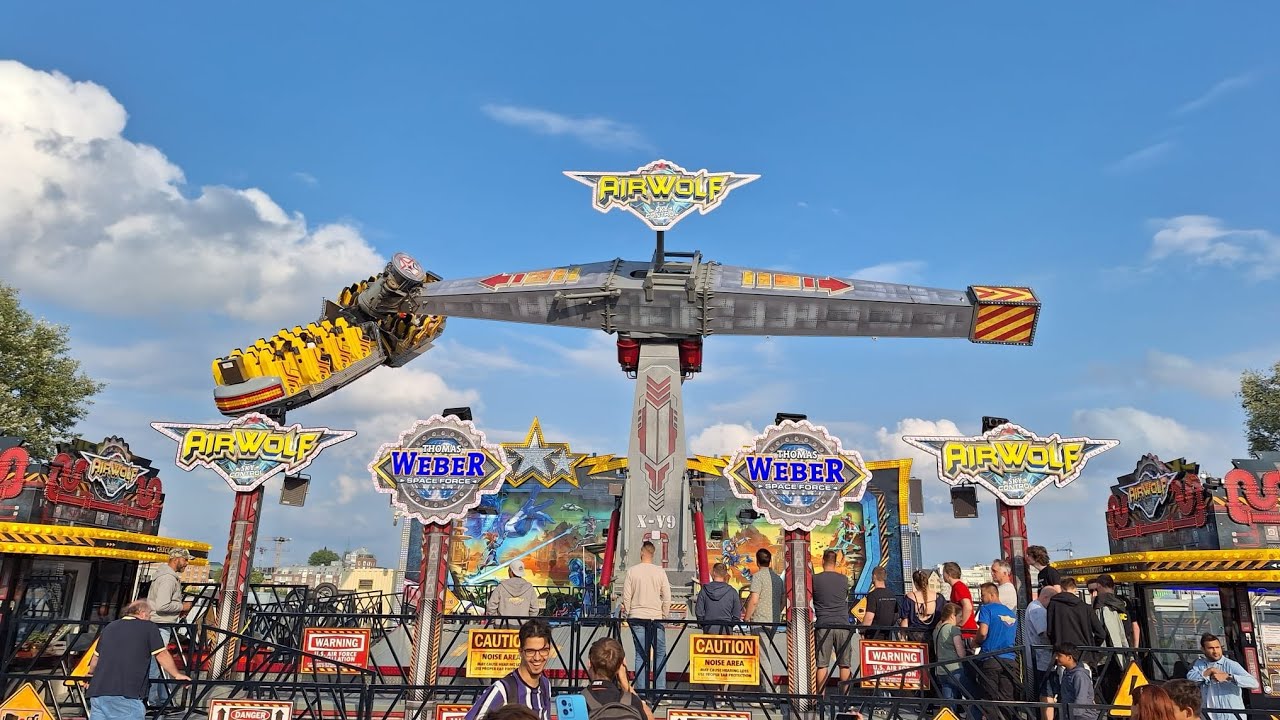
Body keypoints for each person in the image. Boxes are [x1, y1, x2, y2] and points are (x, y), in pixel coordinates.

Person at [86, 599, 191, 720]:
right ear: (142, 613)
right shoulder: (148, 627)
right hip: (126, 693)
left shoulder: (110, 627)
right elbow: (161, 654)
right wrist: (176, 674)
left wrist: (90, 674)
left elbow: (95, 658)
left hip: (98, 693)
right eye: (150, 614)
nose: (150, 617)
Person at [465, 619, 554, 720]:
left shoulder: (545, 684)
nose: (537, 657)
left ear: (549, 650)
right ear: (520, 651)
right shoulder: (502, 689)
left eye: (543, 650)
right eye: (530, 651)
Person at [145, 548, 193, 708]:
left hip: (158, 623)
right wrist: (182, 607)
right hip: (160, 625)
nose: (187, 563)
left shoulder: (164, 576)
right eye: (185, 560)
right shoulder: (168, 579)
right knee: (158, 663)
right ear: (176, 559)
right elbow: (162, 605)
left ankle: (159, 699)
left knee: (157, 663)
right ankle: (153, 701)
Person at [620, 541, 671, 690]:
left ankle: (642, 690)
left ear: (642, 552)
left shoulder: (632, 571)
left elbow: (626, 596)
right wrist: (664, 613)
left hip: (636, 616)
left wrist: (629, 612)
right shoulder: (660, 571)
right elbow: (667, 596)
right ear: (653, 554)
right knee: (660, 653)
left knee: (640, 654)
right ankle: (659, 690)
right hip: (655, 617)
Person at [974, 583, 1020, 719]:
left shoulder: (986, 609)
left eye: (983, 595)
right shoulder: (1010, 612)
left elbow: (983, 632)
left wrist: (975, 642)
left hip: (991, 658)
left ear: (992, 594)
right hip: (1010, 659)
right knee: (1007, 697)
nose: (981, 598)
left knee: (989, 698)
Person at [1186, 632, 1259, 716]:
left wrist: (1229, 677)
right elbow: (1190, 679)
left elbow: (1254, 683)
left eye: (1217, 647)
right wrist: (1209, 671)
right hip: (1207, 715)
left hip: (1230, 716)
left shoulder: (1230, 664)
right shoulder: (1200, 664)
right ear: (1203, 649)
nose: (1215, 651)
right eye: (1211, 648)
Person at [742, 547, 785, 689]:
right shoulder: (778, 579)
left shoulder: (758, 577)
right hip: (773, 621)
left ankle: (769, 690)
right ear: (770, 561)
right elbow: (783, 600)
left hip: (760, 621)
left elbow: (754, 600)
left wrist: (747, 617)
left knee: (763, 656)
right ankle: (764, 687)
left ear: (757, 561)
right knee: (763, 652)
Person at [584, 637, 655, 720]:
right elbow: (650, 717)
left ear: (589, 663)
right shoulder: (631, 701)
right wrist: (625, 683)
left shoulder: (580, 701)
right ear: (620, 667)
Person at [812, 550, 853, 688]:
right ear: (835, 563)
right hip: (843, 624)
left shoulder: (815, 579)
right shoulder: (844, 580)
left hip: (823, 624)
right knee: (844, 664)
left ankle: (821, 700)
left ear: (823, 561)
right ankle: (846, 701)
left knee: (822, 665)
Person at [933, 602, 980, 720]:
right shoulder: (953, 630)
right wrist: (968, 651)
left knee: (949, 704)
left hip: (940, 671)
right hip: (954, 670)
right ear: (952, 616)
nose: (961, 620)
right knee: (973, 696)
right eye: (959, 617)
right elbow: (961, 653)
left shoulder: (936, 630)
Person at [1047, 577, 1104, 668]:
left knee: (1065, 681)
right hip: (1084, 654)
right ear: (1075, 589)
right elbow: (1101, 633)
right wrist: (1091, 646)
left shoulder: (1053, 605)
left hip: (1063, 654)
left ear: (1062, 588)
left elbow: (1050, 632)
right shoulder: (1085, 607)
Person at [1026, 586, 1057, 720]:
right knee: (1047, 691)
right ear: (1045, 597)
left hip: (1040, 657)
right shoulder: (1037, 610)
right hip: (1041, 658)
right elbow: (1044, 633)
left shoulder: (1035, 607)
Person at [695, 563, 741, 636]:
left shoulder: (704, 590)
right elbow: (737, 615)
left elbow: (699, 612)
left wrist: (704, 624)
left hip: (708, 629)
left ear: (713, 572)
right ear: (726, 574)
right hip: (727, 631)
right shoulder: (732, 592)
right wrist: (730, 625)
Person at [1054, 642, 1098, 720]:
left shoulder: (1079, 675)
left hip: (1083, 716)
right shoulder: (1067, 672)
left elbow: (1081, 700)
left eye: (1059, 655)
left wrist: (1071, 715)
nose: (1056, 658)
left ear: (1069, 658)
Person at [900, 569, 946, 636]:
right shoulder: (939, 598)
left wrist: (903, 637)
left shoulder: (909, 598)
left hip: (914, 636)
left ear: (915, 583)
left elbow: (904, 620)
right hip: (934, 635)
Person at [861, 566, 900, 640]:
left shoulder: (872, 595)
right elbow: (895, 616)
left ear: (874, 576)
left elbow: (869, 618)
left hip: (873, 636)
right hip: (888, 635)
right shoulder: (892, 595)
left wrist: (862, 631)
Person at [943, 562, 978, 637]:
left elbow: (968, 606)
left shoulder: (958, 587)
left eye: (943, 572)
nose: (943, 575)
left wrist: (961, 624)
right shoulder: (957, 587)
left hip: (966, 631)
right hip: (966, 630)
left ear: (948, 574)